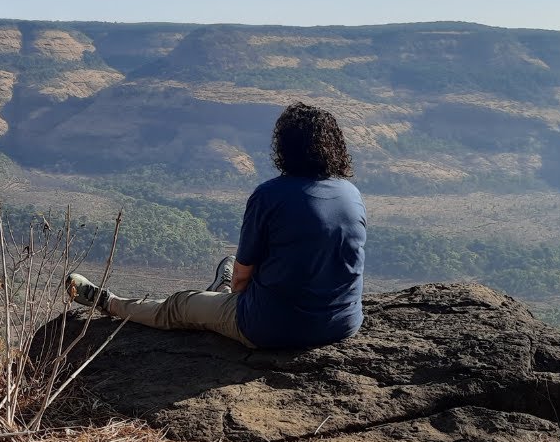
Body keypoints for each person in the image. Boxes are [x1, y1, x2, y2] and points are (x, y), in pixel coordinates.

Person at [66, 102, 367, 349]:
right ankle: (216, 292)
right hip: (342, 324)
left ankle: (109, 302)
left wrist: (232, 299)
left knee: (180, 304)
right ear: (333, 147)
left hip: (270, 330)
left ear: (284, 148)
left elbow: (241, 281)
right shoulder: (351, 195)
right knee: (230, 265)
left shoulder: (269, 196)